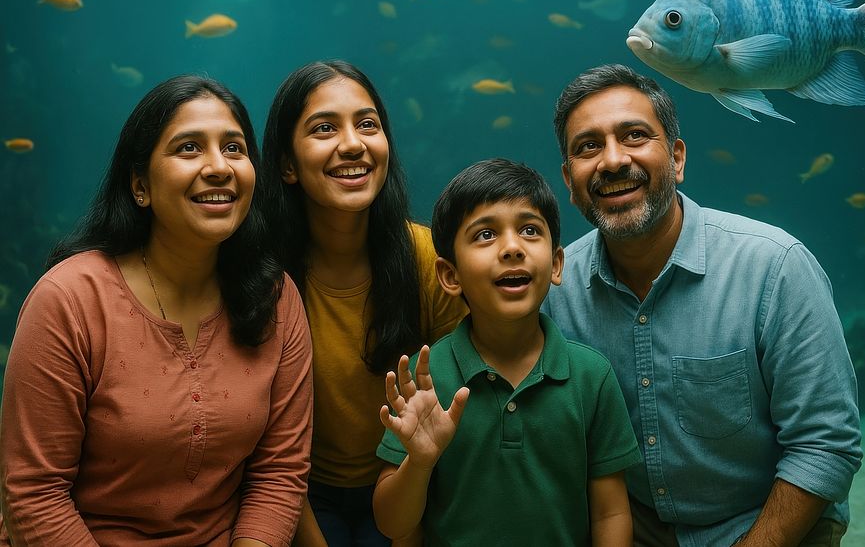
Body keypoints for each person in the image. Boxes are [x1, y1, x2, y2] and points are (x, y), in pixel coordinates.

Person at [544, 64, 863, 547]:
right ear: (569, 181)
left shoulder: (774, 268)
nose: (612, 160)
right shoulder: (555, 289)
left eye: (634, 136)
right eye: (588, 146)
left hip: (768, 523)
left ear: (676, 159)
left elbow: (827, 444)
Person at [0, 75, 313, 546]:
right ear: (140, 185)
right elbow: (34, 494)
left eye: (234, 148)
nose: (219, 167)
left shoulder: (275, 297)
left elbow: (278, 472)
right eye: (189, 148)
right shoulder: (69, 300)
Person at [372, 158, 641, 545]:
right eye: (485, 235)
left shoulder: (591, 376)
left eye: (530, 230)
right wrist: (419, 462)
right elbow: (393, 527)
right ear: (450, 275)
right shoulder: (425, 380)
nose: (512, 248)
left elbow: (610, 513)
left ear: (557, 264)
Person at [259, 60, 467, 546]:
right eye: (324, 128)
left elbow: (457, 412)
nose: (353, 144)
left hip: (412, 478)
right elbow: (266, 456)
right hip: (297, 490)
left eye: (367, 124)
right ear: (287, 164)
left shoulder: (426, 258)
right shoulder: (262, 275)